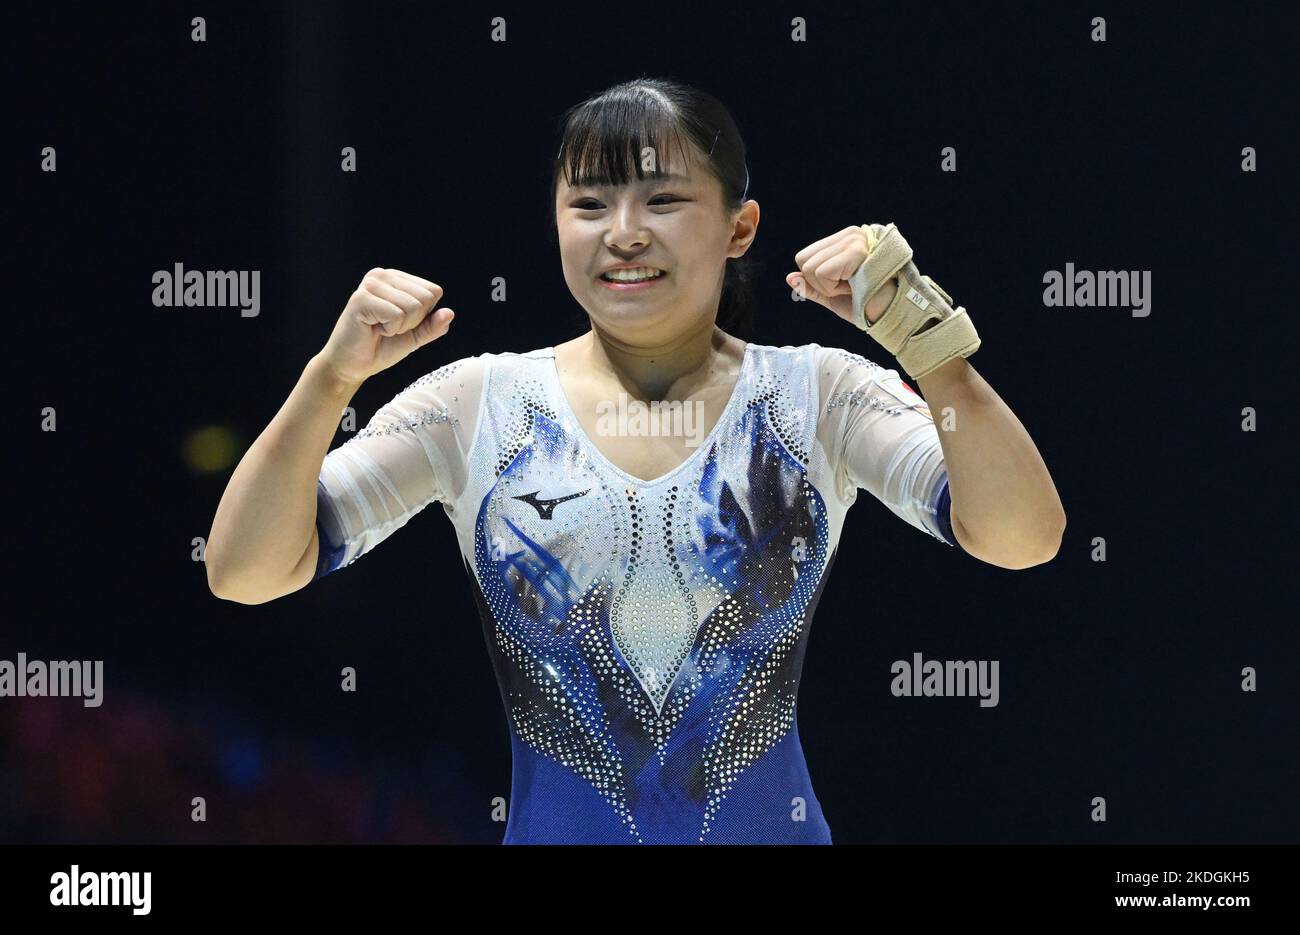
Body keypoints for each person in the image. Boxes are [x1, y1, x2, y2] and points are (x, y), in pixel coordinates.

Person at [205, 77, 1066, 844]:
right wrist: (331, 378)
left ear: (741, 226)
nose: (622, 234)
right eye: (588, 204)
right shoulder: (475, 404)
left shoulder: (820, 394)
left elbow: (1021, 535)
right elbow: (246, 570)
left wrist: (929, 346)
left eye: (662, 200)